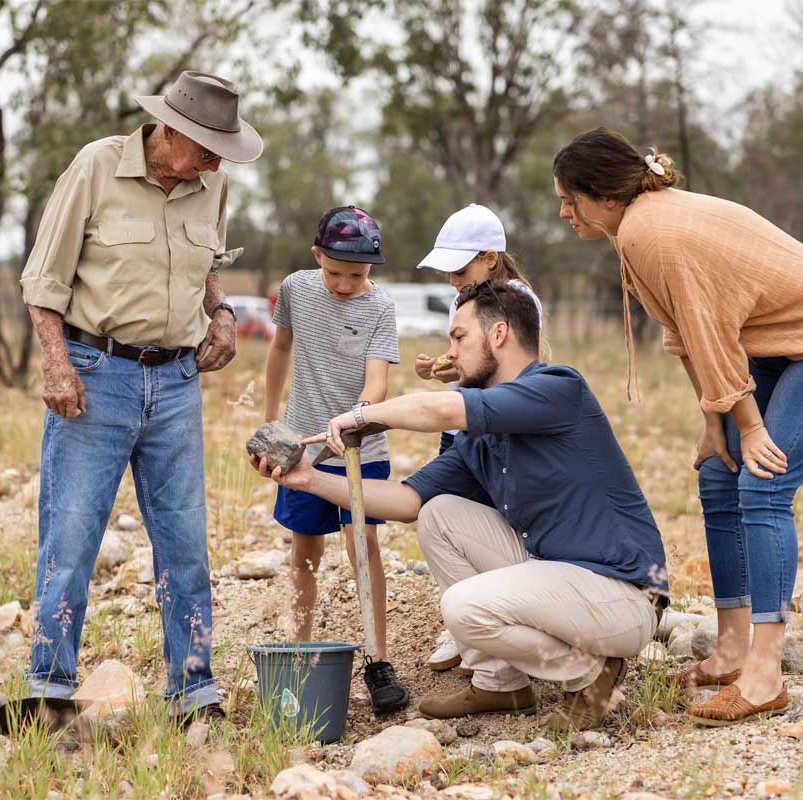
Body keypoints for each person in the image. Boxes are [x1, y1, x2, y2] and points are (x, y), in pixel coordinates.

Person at [551, 127, 803, 726]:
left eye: (567, 198)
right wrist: (717, 425)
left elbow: (710, 335)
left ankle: (765, 675)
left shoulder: (651, 232)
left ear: (602, 194)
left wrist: (752, 426)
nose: (563, 213)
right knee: (718, 473)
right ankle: (731, 648)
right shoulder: (637, 228)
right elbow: (691, 336)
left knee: (763, 483)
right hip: (775, 339)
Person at [251, 282, 669, 730]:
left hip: (621, 595)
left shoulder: (557, 387)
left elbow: (446, 411)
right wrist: (309, 479)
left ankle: (591, 674)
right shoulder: (480, 437)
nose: (449, 353)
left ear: (499, 334)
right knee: (438, 514)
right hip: (561, 578)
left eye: (459, 337)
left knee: (463, 607)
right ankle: (501, 684)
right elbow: (406, 501)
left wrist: (362, 415)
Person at [18, 71, 262, 725]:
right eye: (210, 147)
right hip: (96, 374)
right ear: (171, 131)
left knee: (185, 544)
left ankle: (193, 693)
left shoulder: (213, 183)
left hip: (178, 383)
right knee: (70, 536)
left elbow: (206, 271)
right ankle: (48, 689)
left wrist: (222, 316)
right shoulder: (96, 168)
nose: (216, 162)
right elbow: (44, 281)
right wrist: (56, 363)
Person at [263, 205, 409, 713]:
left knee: (362, 544)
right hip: (302, 445)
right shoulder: (296, 290)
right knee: (304, 554)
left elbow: (378, 382)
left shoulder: (380, 308)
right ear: (315, 257)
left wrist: (358, 416)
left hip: (359, 449)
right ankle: (296, 655)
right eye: (335, 272)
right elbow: (280, 349)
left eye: (358, 275)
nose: (346, 284)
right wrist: (270, 421)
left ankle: (378, 659)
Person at [410, 203, 544, 673]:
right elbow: (467, 361)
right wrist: (439, 368)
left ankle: (499, 618)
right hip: (459, 430)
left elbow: (513, 369)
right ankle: (462, 620)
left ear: (490, 257)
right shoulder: (463, 300)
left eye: (458, 268)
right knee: (442, 520)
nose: (451, 279)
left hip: (494, 430)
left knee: (487, 522)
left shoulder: (520, 302)